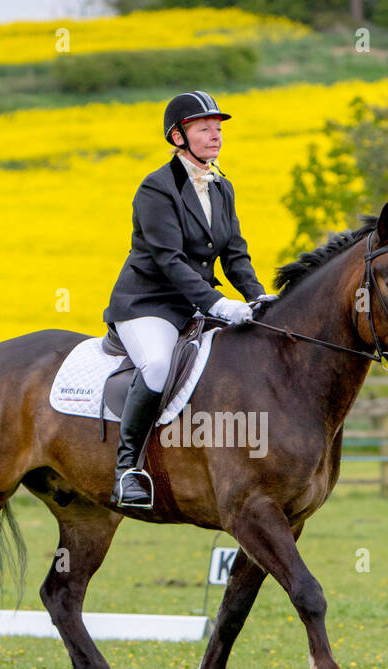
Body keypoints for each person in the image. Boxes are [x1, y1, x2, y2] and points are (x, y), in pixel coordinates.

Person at [102, 90, 276, 508]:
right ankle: (128, 469)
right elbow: (169, 260)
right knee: (159, 366)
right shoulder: (155, 188)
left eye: (218, 129)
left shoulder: (221, 185)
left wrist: (258, 298)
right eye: (204, 129)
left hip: (193, 304)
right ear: (178, 136)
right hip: (148, 303)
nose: (215, 136)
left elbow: (234, 254)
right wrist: (218, 306)